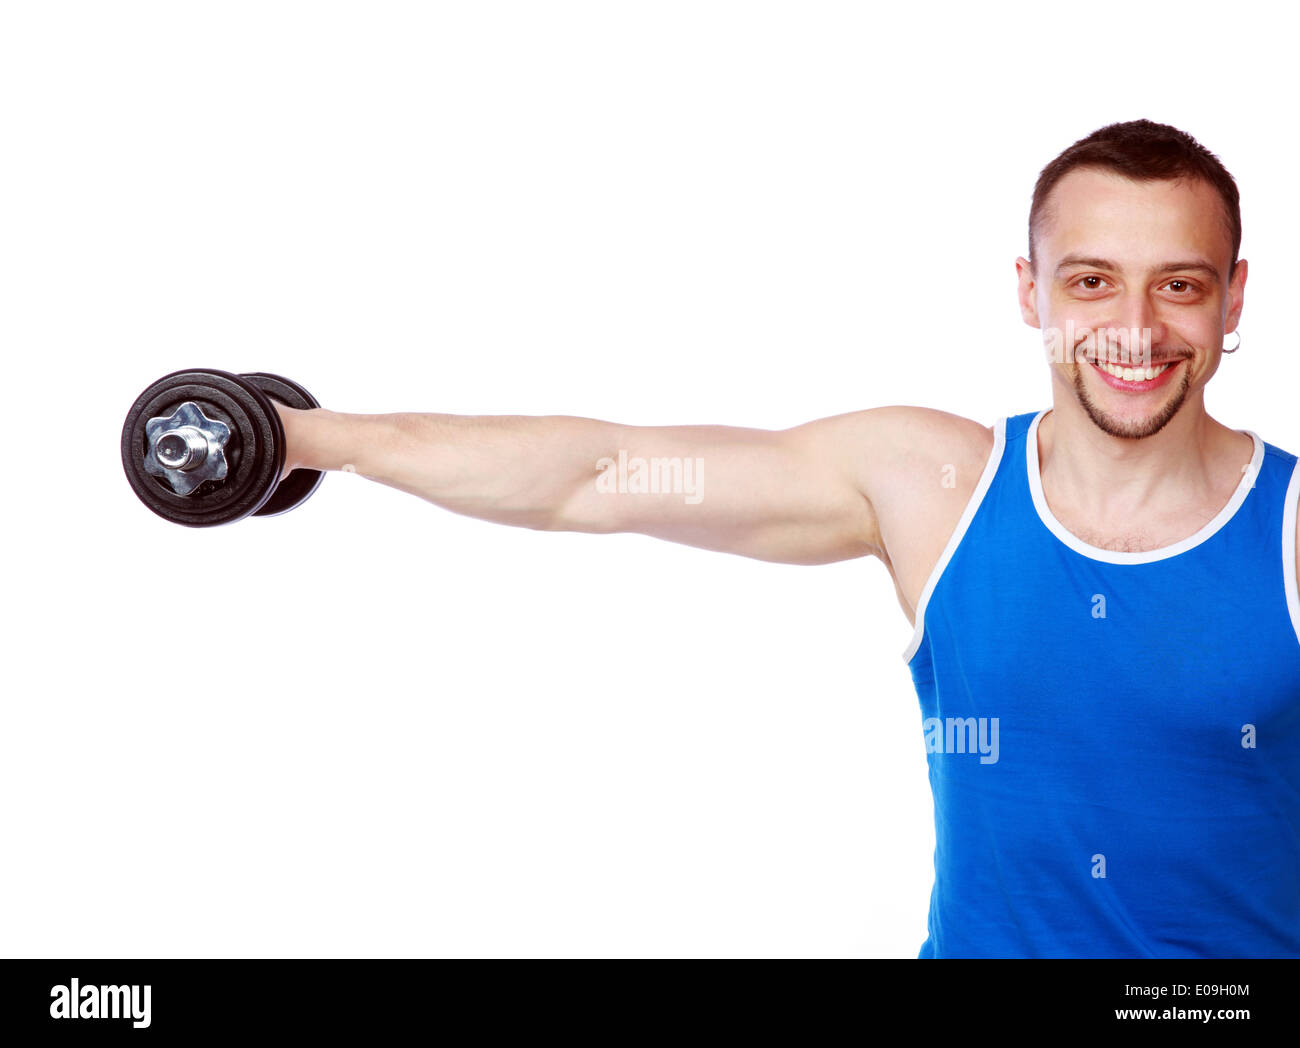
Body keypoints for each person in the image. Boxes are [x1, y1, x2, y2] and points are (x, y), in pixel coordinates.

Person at [271, 119, 1300, 958]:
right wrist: (305, 437)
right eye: (1089, 281)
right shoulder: (934, 486)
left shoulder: (1287, 525)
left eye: (1178, 283)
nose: (1133, 326)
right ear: (1029, 293)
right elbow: (602, 474)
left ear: (1232, 298)